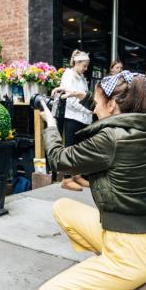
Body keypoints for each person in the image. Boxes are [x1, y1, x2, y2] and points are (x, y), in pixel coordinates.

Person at [36, 72, 146, 290]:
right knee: (63, 207)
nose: (95, 109)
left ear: (112, 104)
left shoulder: (109, 139)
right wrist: (83, 96)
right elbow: (113, 114)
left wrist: (52, 126)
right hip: (144, 240)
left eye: (97, 104)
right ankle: (122, 277)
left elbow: (58, 159)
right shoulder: (144, 128)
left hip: (130, 255)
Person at [52, 50, 94, 191]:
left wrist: (87, 111)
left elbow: (84, 96)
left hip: (83, 119)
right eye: (84, 65)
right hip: (72, 118)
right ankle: (67, 179)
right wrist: (88, 110)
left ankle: (77, 175)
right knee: (70, 149)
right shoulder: (68, 75)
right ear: (76, 62)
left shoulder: (81, 77)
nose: (86, 68)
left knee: (80, 149)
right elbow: (70, 100)